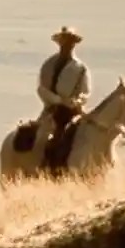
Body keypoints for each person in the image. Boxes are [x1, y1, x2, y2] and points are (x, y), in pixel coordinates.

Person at [36, 27, 91, 169]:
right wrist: (58, 100)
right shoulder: (48, 65)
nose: (67, 45)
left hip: (74, 110)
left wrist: (78, 101)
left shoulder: (81, 68)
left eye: (70, 42)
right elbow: (42, 89)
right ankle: (46, 165)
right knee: (42, 138)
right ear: (60, 43)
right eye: (65, 42)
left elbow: (85, 91)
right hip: (52, 109)